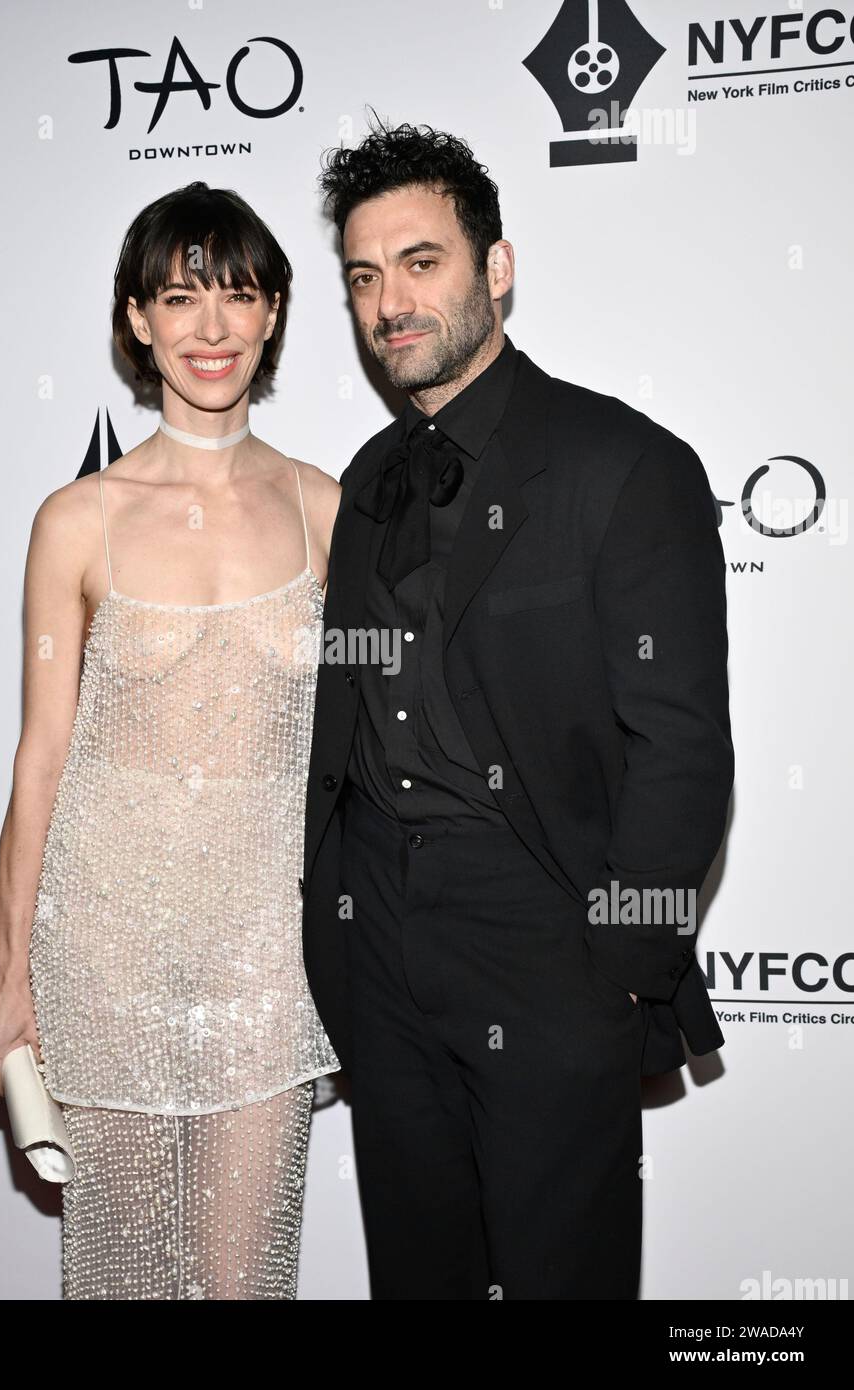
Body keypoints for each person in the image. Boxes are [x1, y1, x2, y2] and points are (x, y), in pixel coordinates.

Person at [301, 119, 734, 1299]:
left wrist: (615, 969)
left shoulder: (624, 464)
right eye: (364, 275)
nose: (390, 300)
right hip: (381, 937)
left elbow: (684, 749)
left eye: (422, 261)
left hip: (544, 938)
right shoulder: (368, 481)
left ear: (496, 269)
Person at [0, 181, 341, 1300]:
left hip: (269, 957)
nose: (210, 328)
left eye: (237, 295)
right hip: (107, 953)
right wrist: (7, 967)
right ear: (137, 319)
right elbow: (41, 757)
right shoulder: (77, 518)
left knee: (243, 1284)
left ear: (274, 311)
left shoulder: (330, 508)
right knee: (121, 1282)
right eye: (180, 297)